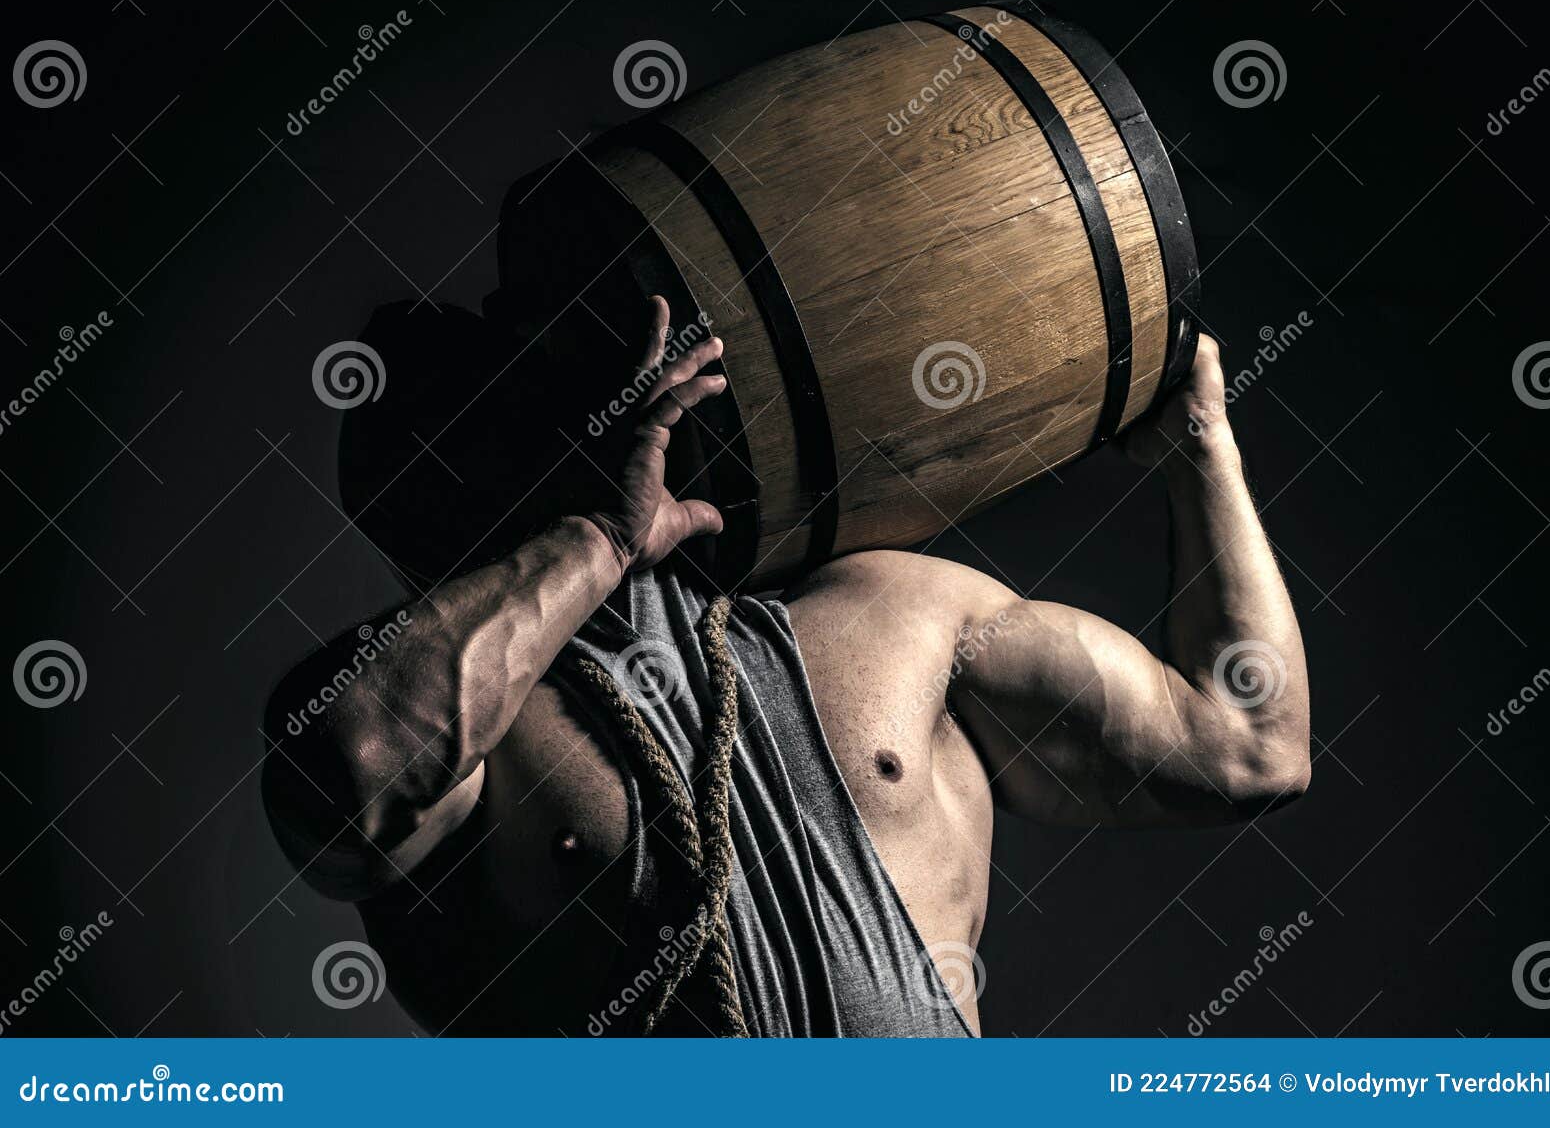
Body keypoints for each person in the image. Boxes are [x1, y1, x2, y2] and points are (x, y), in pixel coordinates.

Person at [261, 297, 1310, 1036]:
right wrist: (596, 542)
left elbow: (1248, 746)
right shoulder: (448, 744)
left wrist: (1199, 452)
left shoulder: (897, 611)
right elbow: (350, 787)